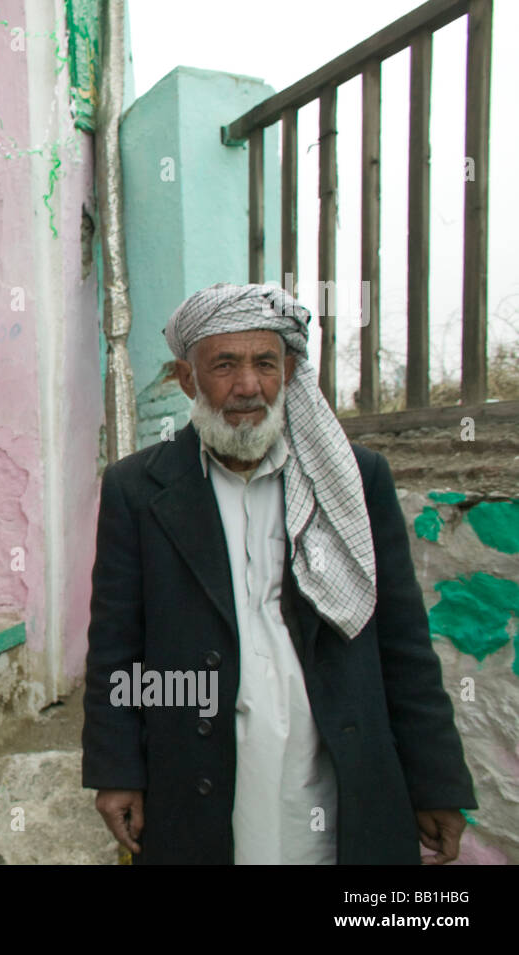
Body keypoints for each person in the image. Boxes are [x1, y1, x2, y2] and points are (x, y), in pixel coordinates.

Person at [81, 282, 475, 864]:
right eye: (224, 365)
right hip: (202, 767)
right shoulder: (138, 488)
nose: (248, 386)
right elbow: (117, 645)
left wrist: (436, 780)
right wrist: (117, 770)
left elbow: (403, 640)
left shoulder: (354, 480)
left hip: (331, 761)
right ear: (188, 379)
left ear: (289, 372)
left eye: (265, 363)